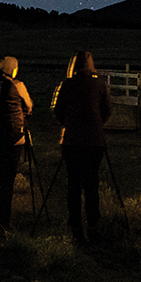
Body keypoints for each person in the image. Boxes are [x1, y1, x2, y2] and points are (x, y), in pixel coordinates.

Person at [52, 50, 113, 243]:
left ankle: (76, 226)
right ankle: (94, 224)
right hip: (94, 142)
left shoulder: (67, 84)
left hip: (72, 141)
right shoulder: (99, 84)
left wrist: (68, 124)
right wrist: (96, 124)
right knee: (91, 183)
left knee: (74, 185)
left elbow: (58, 110)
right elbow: (107, 110)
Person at [0, 55, 33, 235]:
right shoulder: (18, 86)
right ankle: (3, 223)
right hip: (12, 139)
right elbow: (29, 106)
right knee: (6, 181)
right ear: (13, 69)